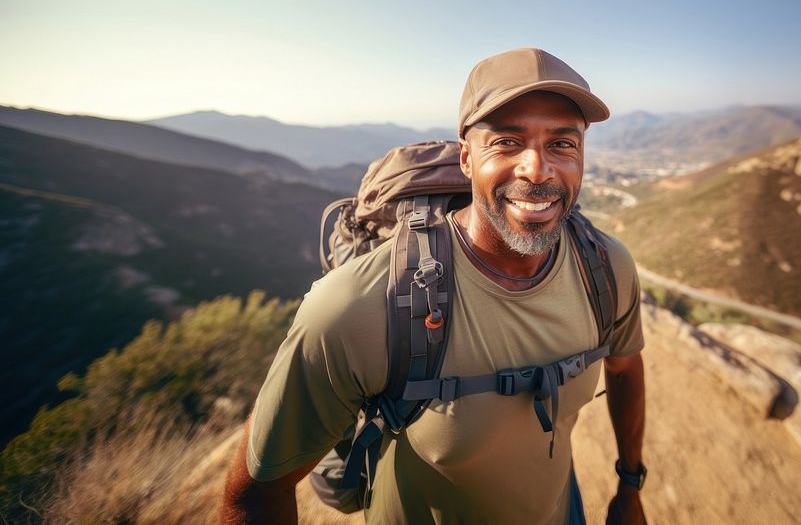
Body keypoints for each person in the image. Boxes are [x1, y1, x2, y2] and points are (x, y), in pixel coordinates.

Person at [221, 48, 647, 524]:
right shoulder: (359, 305)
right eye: (507, 142)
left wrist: (630, 487)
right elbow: (253, 497)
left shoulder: (605, 268)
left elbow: (625, 366)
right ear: (467, 159)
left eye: (562, 144)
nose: (537, 168)